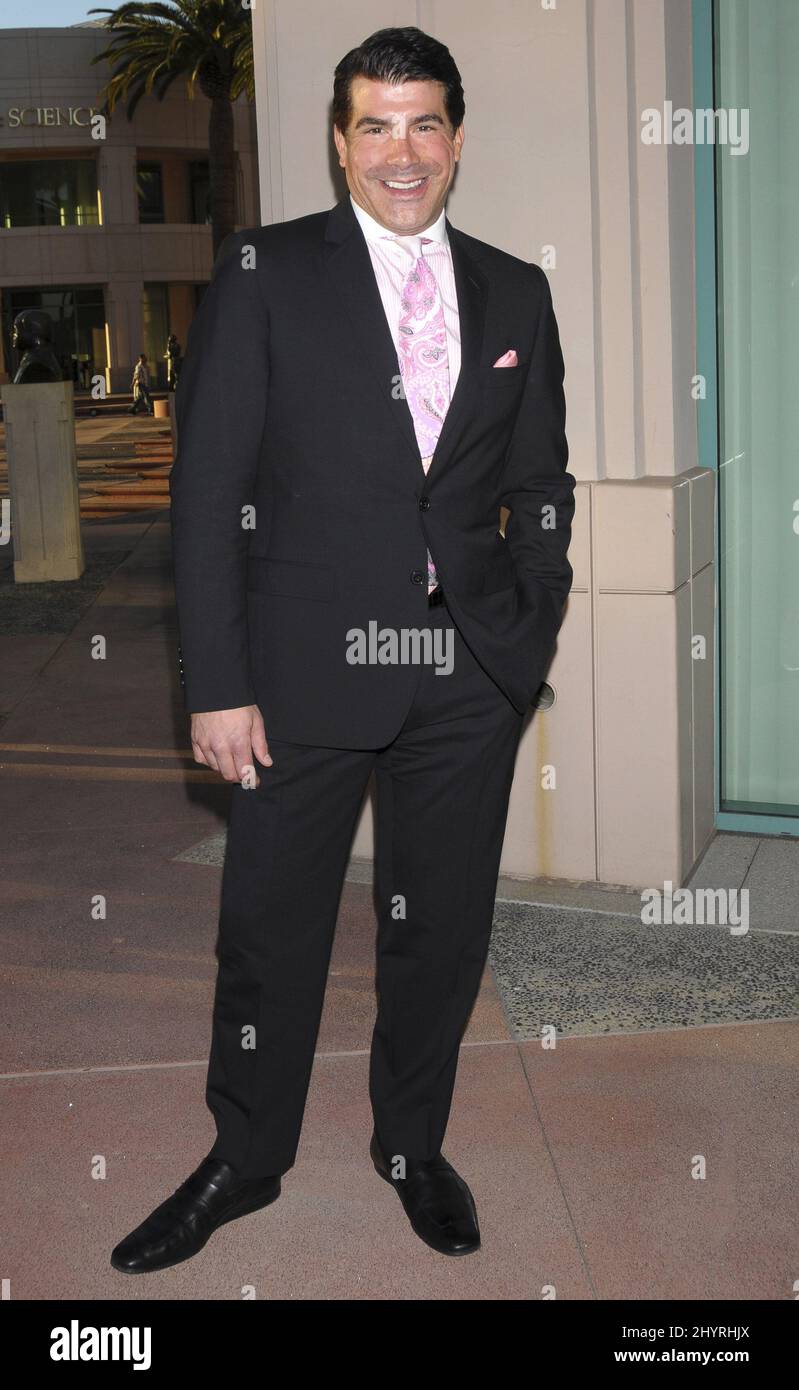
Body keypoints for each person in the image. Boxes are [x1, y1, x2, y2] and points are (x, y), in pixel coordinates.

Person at [111, 25, 576, 1275]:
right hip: (300, 677)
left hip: (464, 677)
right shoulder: (265, 271)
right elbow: (207, 494)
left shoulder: (512, 290)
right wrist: (217, 685)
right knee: (270, 929)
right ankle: (244, 1159)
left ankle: (411, 1147)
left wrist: (527, 622)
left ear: (457, 138)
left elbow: (539, 480)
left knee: (441, 930)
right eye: (376, 123)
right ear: (338, 140)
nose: (402, 150)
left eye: (425, 122)